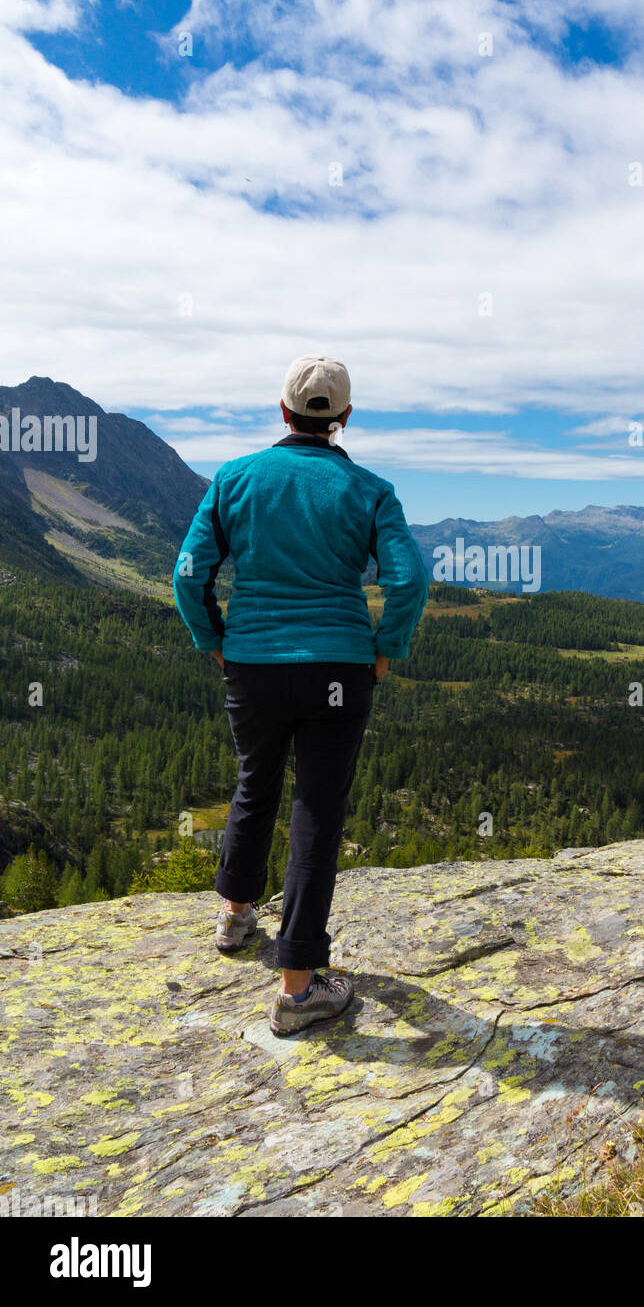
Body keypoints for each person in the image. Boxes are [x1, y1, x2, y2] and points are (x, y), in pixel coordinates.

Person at [172, 355, 428, 1034]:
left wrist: (214, 637)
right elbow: (408, 580)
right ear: (343, 419)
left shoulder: (234, 478)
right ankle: (299, 984)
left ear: (282, 411)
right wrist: (384, 649)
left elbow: (187, 571)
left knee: (255, 781)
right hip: (339, 670)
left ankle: (233, 917)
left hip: (252, 663)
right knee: (318, 807)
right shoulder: (370, 490)